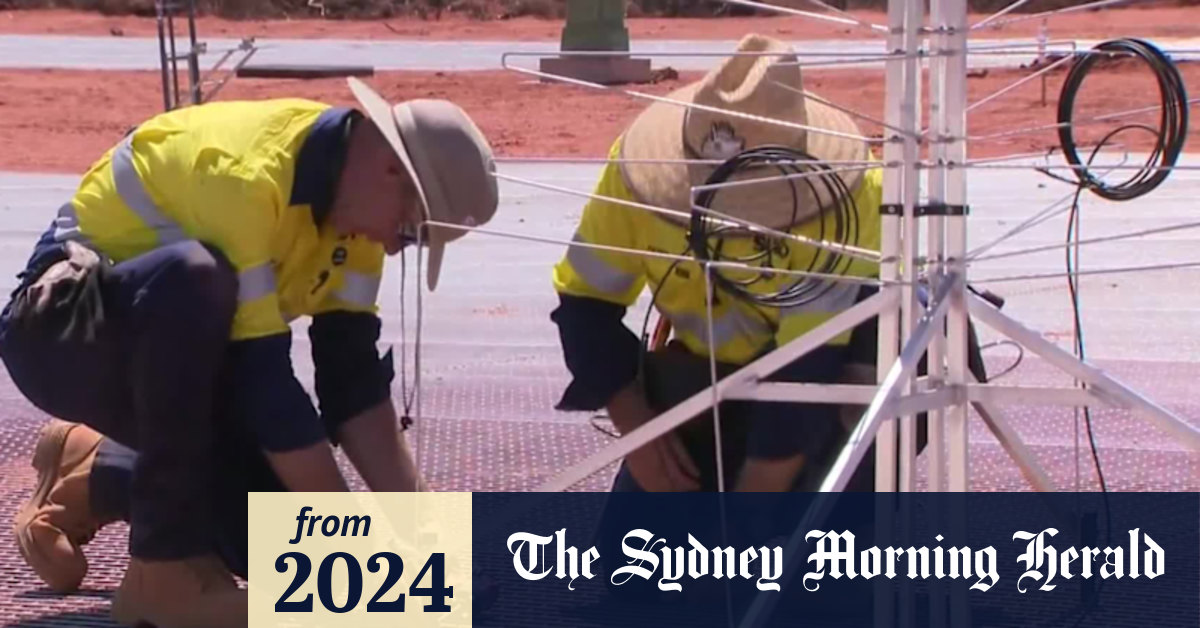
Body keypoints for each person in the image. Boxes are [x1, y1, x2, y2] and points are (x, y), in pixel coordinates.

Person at [1, 77, 498, 628]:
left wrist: (424, 532)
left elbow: (351, 381)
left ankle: (95, 471)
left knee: (298, 560)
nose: (392, 246)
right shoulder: (247, 178)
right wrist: (355, 545)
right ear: (391, 172)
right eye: (410, 234)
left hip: (183, 378)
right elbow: (265, 386)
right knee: (195, 278)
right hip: (60, 337)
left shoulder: (355, 221)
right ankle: (161, 575)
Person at [550, 33, 891, 494]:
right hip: (707, 385)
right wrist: (641, 434)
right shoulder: (633, 178)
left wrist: (750, 511)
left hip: (837, 389)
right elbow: (584, 305)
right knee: (630, 559)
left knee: (795, 551)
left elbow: (809, 365)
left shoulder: (850, 199)